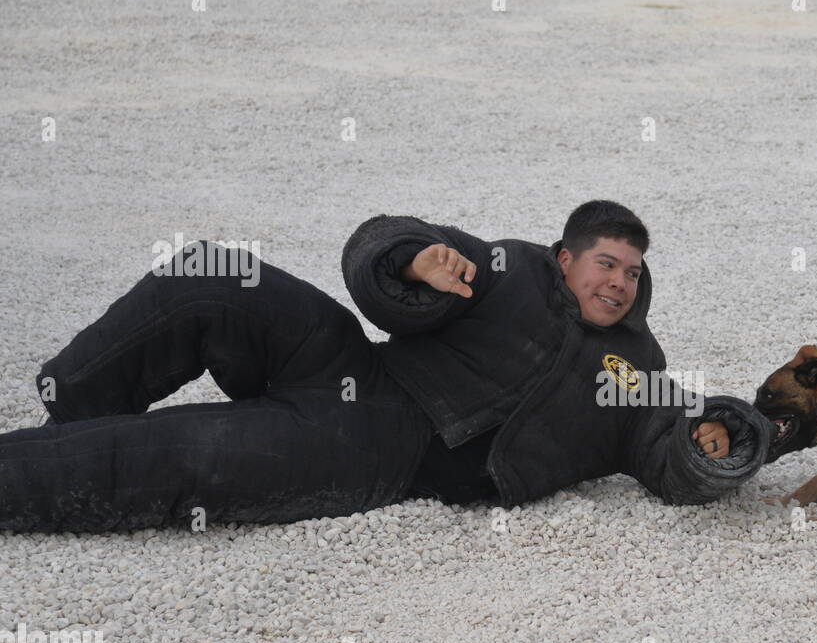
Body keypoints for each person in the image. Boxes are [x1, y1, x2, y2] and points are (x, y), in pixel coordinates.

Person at [0, 200, 771, 532]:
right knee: (215, 274)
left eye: (633, 273)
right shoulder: (510, 267)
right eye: (607, 264)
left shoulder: (637, 365)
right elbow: (386, 238)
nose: (619, 283)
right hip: (355, 365)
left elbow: (666, 451)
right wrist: (409, 263)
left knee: (186, 453)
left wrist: (722, 438)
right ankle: (71, 405)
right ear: (566, 258)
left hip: (387, 448)